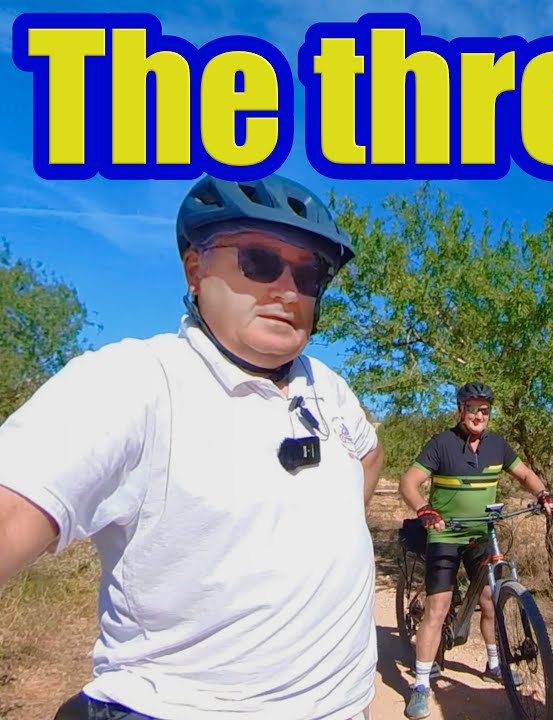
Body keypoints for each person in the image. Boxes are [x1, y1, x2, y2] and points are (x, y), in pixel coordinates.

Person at [0, 174, 385, 720]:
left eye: (309, 273)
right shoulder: (134, 381)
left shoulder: (325, 385)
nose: (287, 289)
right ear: (196, 270)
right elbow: (11, 513)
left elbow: (368, 456)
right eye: (258, 261)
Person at [397, 381, 553, 719]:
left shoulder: (497, 446)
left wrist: (544, 493)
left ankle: (495, 663)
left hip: (480, 532)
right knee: (437, 609)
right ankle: (422, 685)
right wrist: (424, 510)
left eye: (485, 410)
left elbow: (525, 473)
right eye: (473, 408)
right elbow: (409, 482)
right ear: (461, 410)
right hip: (445, 534)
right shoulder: (442, 443)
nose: (479, 415)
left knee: (489, 600)